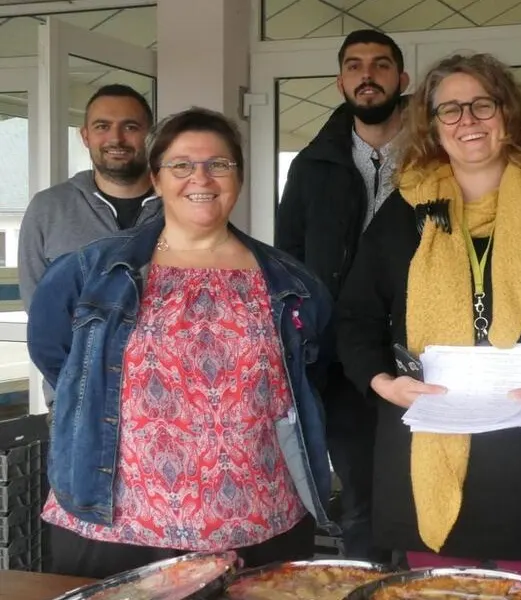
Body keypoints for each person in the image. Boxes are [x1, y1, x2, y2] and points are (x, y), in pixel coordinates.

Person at [334, 53, 521, 595]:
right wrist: (384, 383)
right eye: (448, 109)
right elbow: (354, 318)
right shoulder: (404, 213)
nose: (466, 120)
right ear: (431, 124)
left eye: (481, 104)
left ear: (508, 113)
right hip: (427, 446)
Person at [27, 107, 335, 579]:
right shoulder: (91, 271)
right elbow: (58, 357)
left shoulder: (292, 282)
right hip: (117, 525)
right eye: (182, 165)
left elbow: (311, 372)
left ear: (240, 177)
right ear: (156, 177)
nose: (202, 178)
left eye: (219, 164)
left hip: (259, 523)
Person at [275, 29, 409, 562]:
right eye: (354, 66)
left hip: (422, 352)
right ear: (341, 82)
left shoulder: (434, 160)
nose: (367, 75)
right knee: (358, 494)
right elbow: (289, 260)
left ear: (402, 79)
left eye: (380, 65)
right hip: (339, 360)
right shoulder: (311, 166)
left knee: (425, 489)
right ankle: (366, 583)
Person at [19, 83, 161, 310]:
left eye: (130, 127)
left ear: (151, 136)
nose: (116, 139)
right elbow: (39, 313)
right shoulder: (48, 209)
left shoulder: (180, 206)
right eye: (102, 126)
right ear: (85, 136)